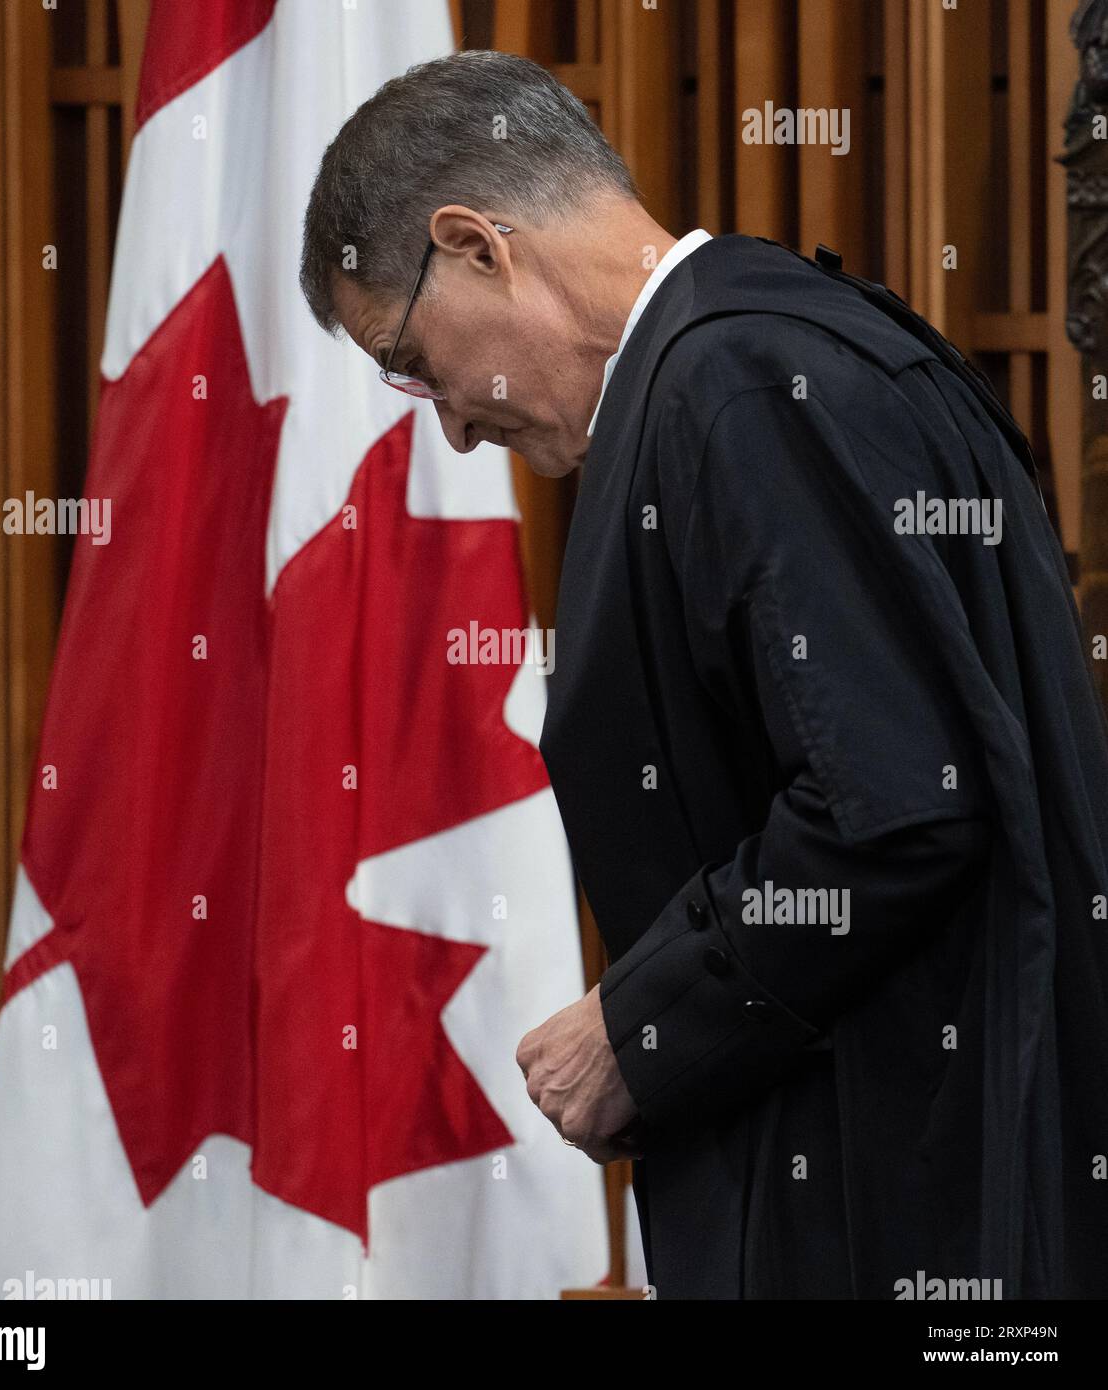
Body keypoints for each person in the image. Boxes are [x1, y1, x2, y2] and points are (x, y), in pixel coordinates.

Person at [301, 49, 1108, 1298]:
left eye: (410, 359)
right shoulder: (783, 344)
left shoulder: (735, 386)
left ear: (475, 245)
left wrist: (635, 1031)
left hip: (882, 1218)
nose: (450, 421)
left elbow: (891, 807)